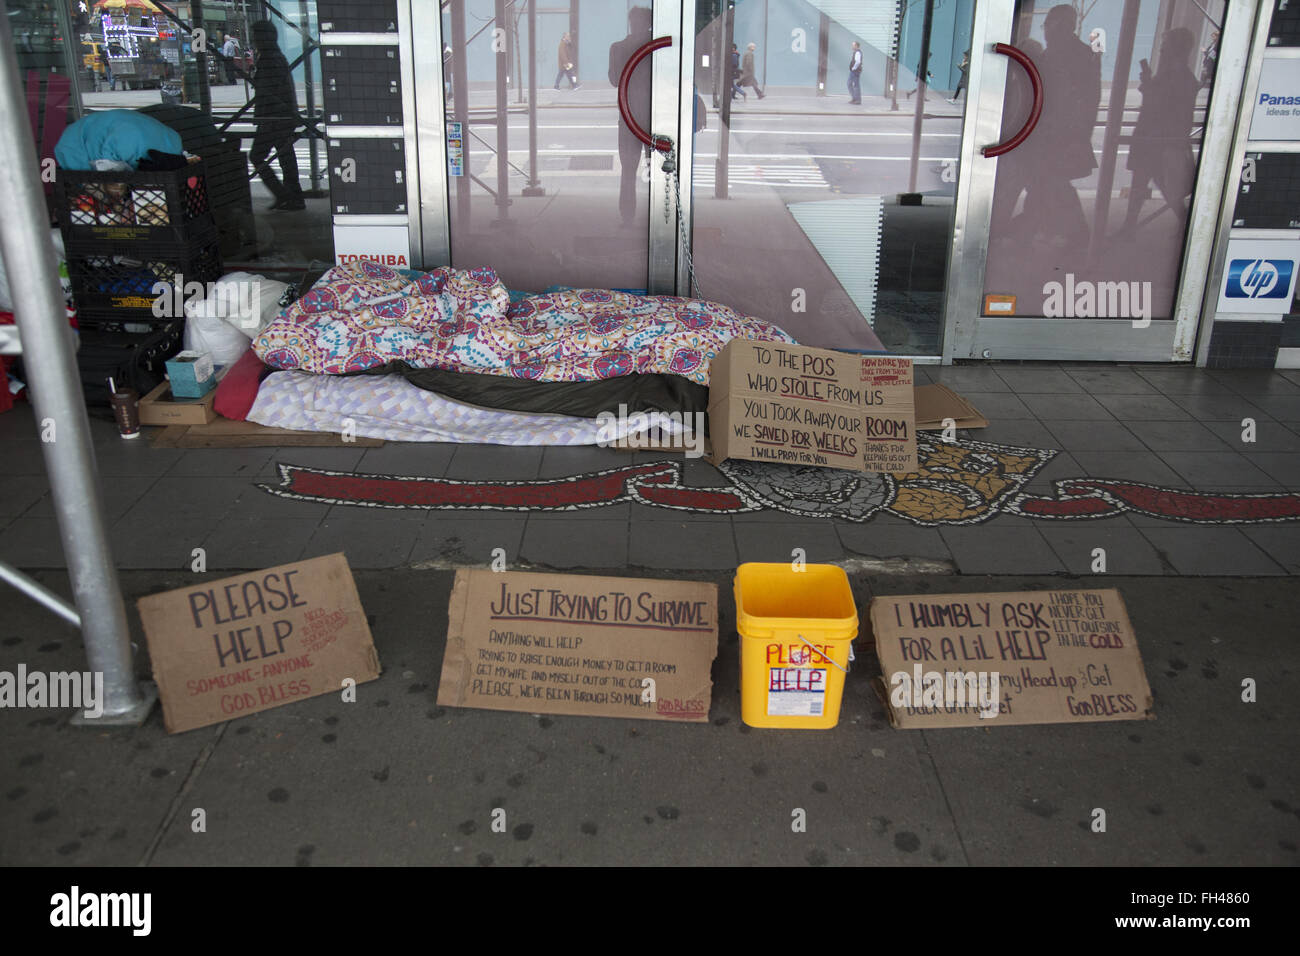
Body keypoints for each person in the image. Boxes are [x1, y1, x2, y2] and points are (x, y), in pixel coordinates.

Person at [1118, 27, 1199, 237]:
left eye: (1165, 45)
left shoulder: (1176, 77)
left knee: (1159, 185)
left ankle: (1132, 226)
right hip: (1156, 139)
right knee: (1153, 184)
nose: (1162, 50)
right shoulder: (1180, 76)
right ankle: (1130, 226)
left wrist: (1147, 83)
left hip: (1157, 140)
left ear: (1175, 48)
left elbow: (1159, 105)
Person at [249, 20, 305, 211]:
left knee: (257, 156)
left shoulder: (268, 59)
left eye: (256, 36)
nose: (254, 40)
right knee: (286, 158)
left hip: (273, 117)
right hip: (281, 117)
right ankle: (293, 197)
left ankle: (284, 195)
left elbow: (267, 91)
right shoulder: (277, 56)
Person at [608, 7, 653, 226]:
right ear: (649, 25)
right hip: (652, 118)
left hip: (628, 119)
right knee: (658, 171)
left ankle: (627, 217)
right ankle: (659, 217)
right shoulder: (655, 49)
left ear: (631, 23)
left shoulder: (618, 48)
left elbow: (614, 80)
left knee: (628, 171)